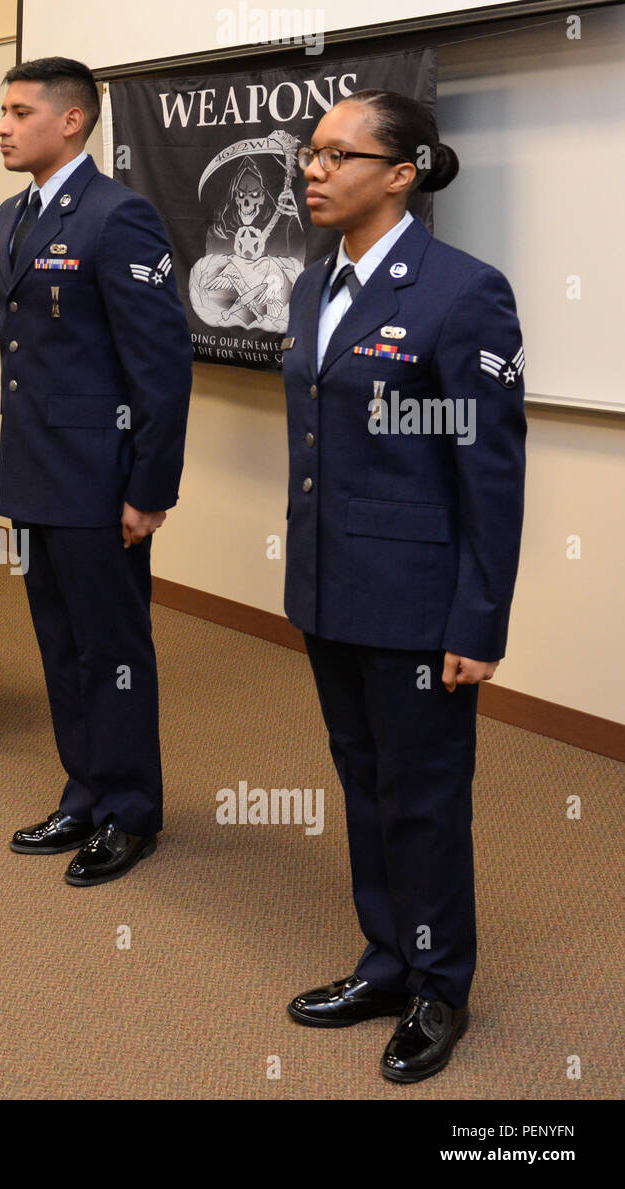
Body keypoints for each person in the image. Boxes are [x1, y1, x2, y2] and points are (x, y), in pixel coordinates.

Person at [281, 90, 526, 1083]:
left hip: (419, 600)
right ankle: (384, 960)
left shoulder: (462, 294)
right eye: (309, 150)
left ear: (401, 172)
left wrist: (479, 618)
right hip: (330, 588)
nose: (312, 168)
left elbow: (490, 474)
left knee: (422, 796)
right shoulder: (311, 285)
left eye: (338, 153)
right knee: (361, 779)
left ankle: (437, 985)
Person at [0, 57, 193, 886]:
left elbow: (161, 364)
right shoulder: (14, 211)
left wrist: (149, 488)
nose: (1, 126)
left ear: (72, 120)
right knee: (60, 644)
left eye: (17, 111)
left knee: (112, 649)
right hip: (37, 469)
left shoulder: (120, 216)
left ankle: (130, 810)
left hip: (98, 476)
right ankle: (83, 789)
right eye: (0, 111)